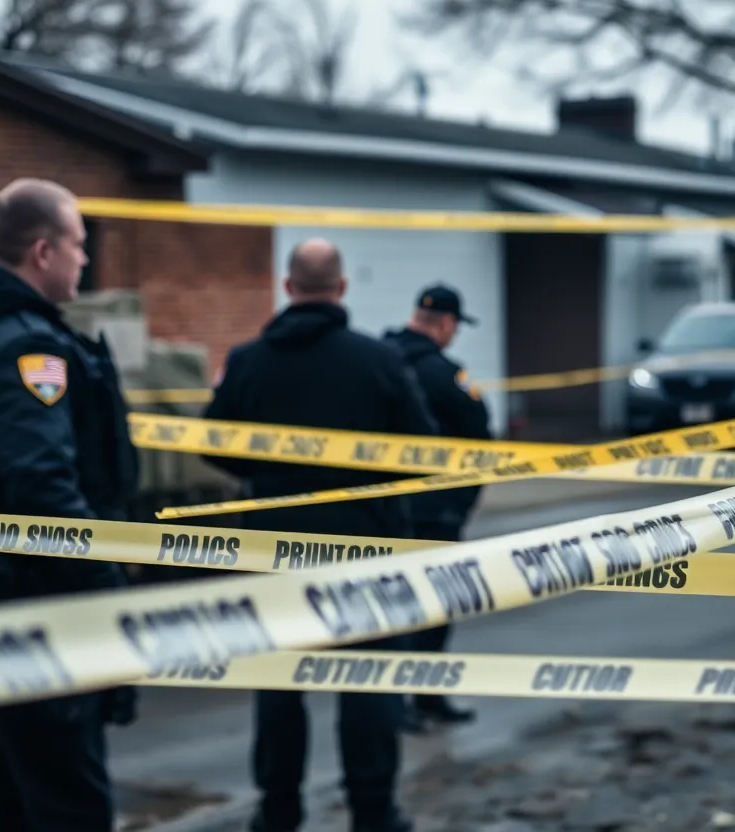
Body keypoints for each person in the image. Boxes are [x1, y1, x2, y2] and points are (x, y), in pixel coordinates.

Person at [0, 177, 139, 831]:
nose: (86, 259)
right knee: (67, 806)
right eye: (77, 244)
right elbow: (43, 492)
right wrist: (105, 584)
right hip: (29, 606)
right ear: (42, 251)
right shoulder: (27, 348)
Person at [201, 238, 438, 832]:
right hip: (365, 552)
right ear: (341, 290)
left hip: (272, 552)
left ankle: (277, 812)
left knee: (279, 691)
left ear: (287, 289)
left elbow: (214, 444)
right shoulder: (380, 362)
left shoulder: (249, 361)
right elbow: (424, 450)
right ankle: (372, 813)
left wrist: (266, 475)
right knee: (369, 691)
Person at [382, 284, 492, 732]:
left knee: (395, 609)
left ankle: (408, 702)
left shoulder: (379, 359)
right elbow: (481, 442)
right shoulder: (447, 376)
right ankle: (423, 698)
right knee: (434, 610)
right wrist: (461, 502)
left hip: (384, 512)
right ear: (445, 324)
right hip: (434, 515)